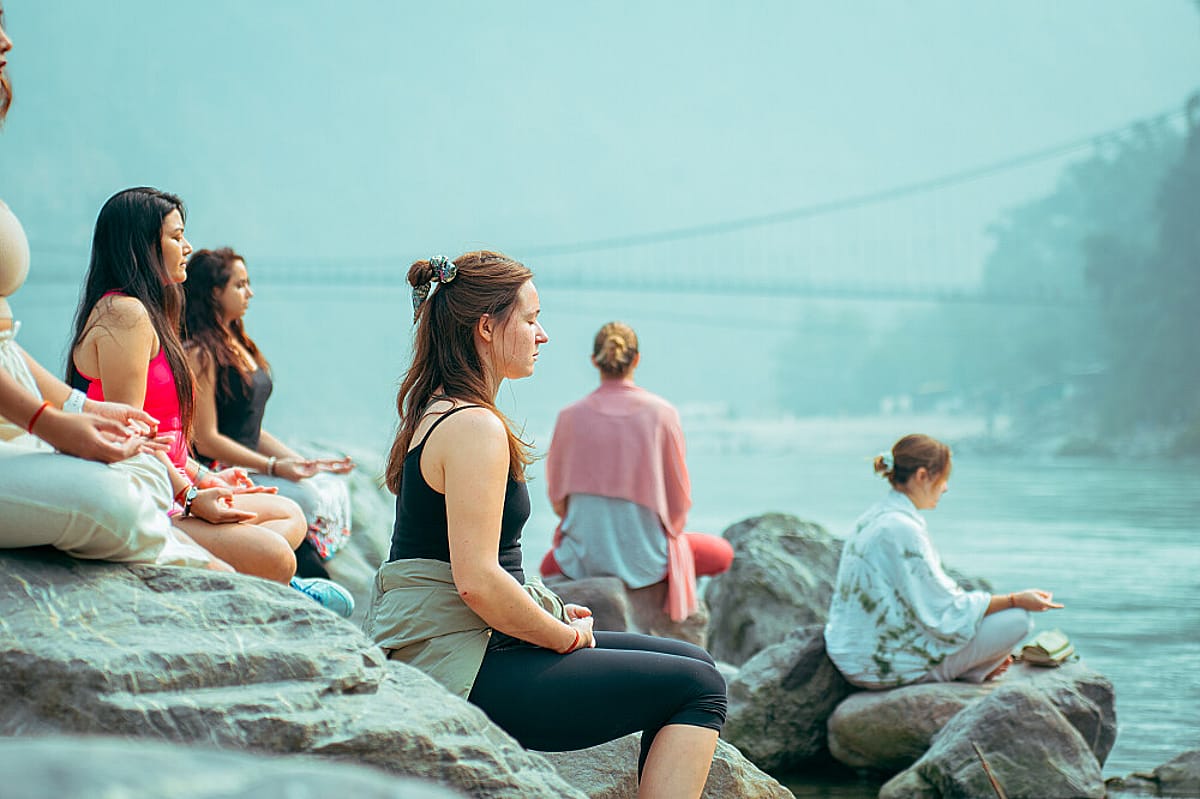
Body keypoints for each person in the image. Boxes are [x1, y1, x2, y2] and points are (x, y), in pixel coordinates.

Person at [365, 252, 726, 798]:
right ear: (487, 328)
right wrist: (559, 637)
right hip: (463, 667)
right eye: (531, 319)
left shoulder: (443, 409)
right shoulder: (473, 427)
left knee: (695, 661)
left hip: (471, 643)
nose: (544, 335)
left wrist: (540, 611)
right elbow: (477, 581)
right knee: (700, 687)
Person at [65, 187, 352, 615]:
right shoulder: (124, 315)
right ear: (143, 245)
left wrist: (205, 478)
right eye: (176, 236)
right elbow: (134, 437)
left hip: (174, 485)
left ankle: (267, 578)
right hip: (145, 497)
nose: (187, 247)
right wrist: (192, 495)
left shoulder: (152, 312)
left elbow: (174, 433)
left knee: (290, 515)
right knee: (278, 553)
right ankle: (278, 583)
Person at [0, 9, 217, 570]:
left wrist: (74, 408)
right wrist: (50, 423)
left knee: (139, 472)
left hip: (19, 417)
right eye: (176, 236)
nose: (8, 39)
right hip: (25, 430)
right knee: (121, 494)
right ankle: (226, 579)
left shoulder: (143, 314)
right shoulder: (125, 315)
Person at [824, 433, 1063, 688]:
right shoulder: (901, 528)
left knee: (990, 621)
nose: (946, 487)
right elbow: (946, 611)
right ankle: (963, 671)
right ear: (922, 476)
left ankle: (974, 668)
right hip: (881, 668)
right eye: (944, 478)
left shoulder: (875, 517)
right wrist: (1015, 599)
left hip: (854, 657)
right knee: (1018, 620)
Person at [538, 321, 733, 621]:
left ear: (594, 361)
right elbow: (678, 503)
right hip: (648, 561)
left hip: (583, 560)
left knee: (549, 565)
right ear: (637, 359)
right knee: (722, 554)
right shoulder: (662, 413)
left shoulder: (568, 417)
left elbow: (558, 501)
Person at [182, 247, 355, 579]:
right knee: (306, 498)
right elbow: (206, 440)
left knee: (322, 486)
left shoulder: (239, 344)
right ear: (214, 292)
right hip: (220, 470)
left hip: (249, 464)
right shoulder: (200, 353)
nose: (250, 292)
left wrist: (304, 464)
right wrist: (275, 467)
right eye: (240, 285)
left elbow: (250, 428)